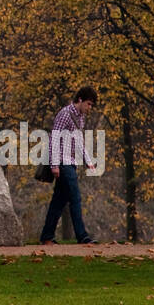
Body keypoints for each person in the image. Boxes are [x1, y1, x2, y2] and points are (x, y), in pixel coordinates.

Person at [40, 86, 98, 245]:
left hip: (71, 163)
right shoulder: (65, 114)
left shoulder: (80, 118)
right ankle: (82, 236)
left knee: (58, 202)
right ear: (80, 100)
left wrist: (88, 161)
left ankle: (47, 237)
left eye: (91, 105)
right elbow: (54, 138)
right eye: (88, 104)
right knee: (75, 198)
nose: (89, 108)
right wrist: (54, 165)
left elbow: (79, 141)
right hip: (62, 162)